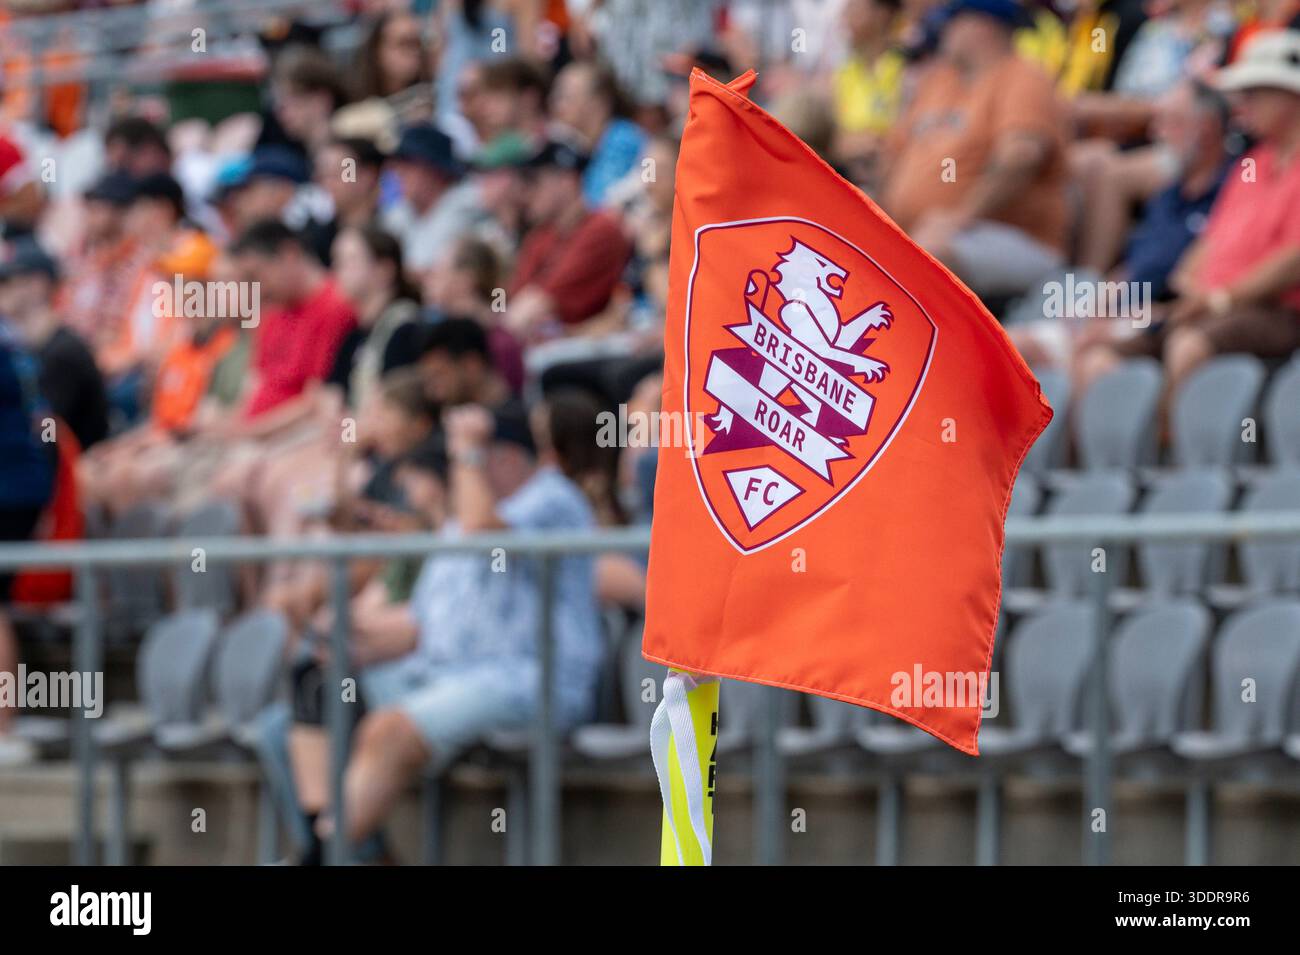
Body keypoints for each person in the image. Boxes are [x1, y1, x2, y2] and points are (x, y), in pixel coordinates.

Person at [316, 395, 606, 854]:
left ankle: (319, 857)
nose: (460, 469)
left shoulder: (553, 497)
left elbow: (481, 531)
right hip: (456, 673)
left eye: (468, 458)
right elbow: (421, 627)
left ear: (505, 457)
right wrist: (347, 638)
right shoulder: (467, 519)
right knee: (322, 691)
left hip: (534, 681)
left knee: (389, 730)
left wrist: (468, 447)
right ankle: (354, 850)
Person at [1081, 29, 1300, 400]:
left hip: (1276, 312)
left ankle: (1169, 455)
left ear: (1291, 97)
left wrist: (1220, 300)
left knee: (1188, 346)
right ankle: (1106, 457)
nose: (1243, 104)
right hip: (1213, 308)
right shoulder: (1252, 164)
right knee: (1096, 359)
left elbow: (1293, 259)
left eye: (1255, 93)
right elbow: (1210, 241)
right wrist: (1187, 293)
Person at [880, 0, 1071, 300]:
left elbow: (1021, 156)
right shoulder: (937, 80)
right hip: (922, 233)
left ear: (982, 23)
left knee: (930, 253)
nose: (941, 30)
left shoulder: (1022, 76)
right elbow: (892, 156)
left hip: (1012, 238)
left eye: (951, 20)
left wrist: (959, 217)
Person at [504, 140, 633, 338]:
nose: (525, 193)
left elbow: (538, 306)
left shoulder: (601, 229)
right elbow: (514, 300)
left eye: (534, 181)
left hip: (594, 344)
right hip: (556, 342)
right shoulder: (541, 235)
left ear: (568, 181)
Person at [0, 239, 107, 451]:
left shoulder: (62, 352)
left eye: (7, 283)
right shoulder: (31, 348)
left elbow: (48, 434)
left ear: (37, 284)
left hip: (77, 468)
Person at [381, 124, 488, 273]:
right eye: (397, 165)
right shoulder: (398, 214)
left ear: (436, 170)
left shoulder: (469, 206)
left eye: (408, 164)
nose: (399, 172)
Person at [549, 60, 646, 207]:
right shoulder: (579, 146)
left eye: (565, 97)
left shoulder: (623, 139)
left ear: (598, 102)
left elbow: (600, 203)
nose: (554, 104)